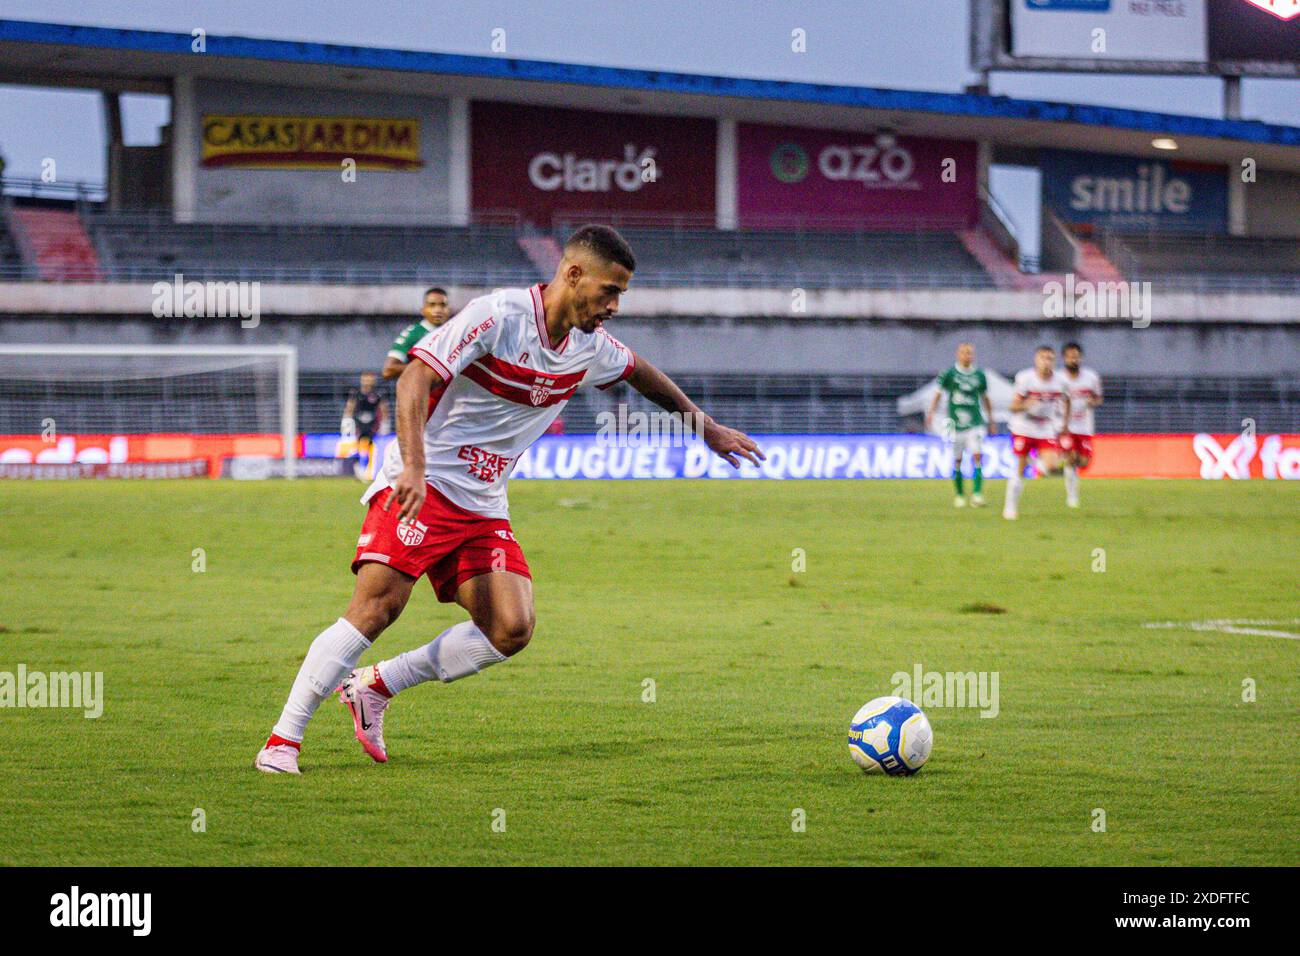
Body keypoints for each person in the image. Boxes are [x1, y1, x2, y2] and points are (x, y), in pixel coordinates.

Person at [255, 225, 764, 773]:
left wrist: (704, 426)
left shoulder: (589, 347)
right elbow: (412, 381)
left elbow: (643, 375)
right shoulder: (497, 316)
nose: (615, 305)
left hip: (483, 501)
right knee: (379, 606)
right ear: (572, 275)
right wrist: (416, 470)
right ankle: (283, 741)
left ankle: (376, 685)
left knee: (510, 628)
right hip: (424, 484)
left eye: (621, 294)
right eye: (610, 290)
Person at [1003, 345, 1070, 521]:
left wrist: (1064, 423)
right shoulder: (1025, 379)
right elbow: (1012, 406)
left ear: (1054, 361)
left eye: (1050, 358)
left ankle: (1033, 461)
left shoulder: (1060, 381)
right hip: (1023, 426)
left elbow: (1067, 400)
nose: (1046, 362)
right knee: (1020, 467)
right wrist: (1026, 405)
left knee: (1052, 467)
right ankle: (1010, 507)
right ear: (1036, 360)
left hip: (1045, 427)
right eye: (1043, 358)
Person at [926, 342, 995, 508]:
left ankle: (977, 494)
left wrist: (991, 419)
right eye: (964, 352)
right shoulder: (949, 373)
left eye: (970, 353)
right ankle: (959, 495)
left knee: (977, 456)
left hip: (975, 423)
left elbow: (985, 397)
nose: (967, 355)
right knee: (957, 460)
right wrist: (931, 413)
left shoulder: (979, 374)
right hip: (954, 423)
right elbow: (938, 394)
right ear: (958, 354)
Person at [1058, 342, 1102, 509]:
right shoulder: (1058, 378)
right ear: (1064, 358)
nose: (1073, 359)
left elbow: (1099, 397)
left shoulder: (1091, 377)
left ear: (1080, 358)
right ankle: (1072, 497)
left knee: (1083, 462)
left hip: (1085, 426)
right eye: (1070, 356)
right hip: (1065, 426)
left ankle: (1055, 463)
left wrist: (1093, 401)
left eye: (1076, 356)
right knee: (1071, 459)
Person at [382, 287, 452, 380]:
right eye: (432, 305)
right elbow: (388, 370)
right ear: (423, 310)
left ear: (449, 309)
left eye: (443, 305)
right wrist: (432, 368)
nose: (438, 310)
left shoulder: (453, 332)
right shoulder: (413, 333)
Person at [342, 372, 387, 466]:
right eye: (365, 378)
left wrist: (385, 424)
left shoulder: (378, 393)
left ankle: (369, 465)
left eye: (370, 378)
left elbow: (383, 409)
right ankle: (356, 464)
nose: (367, 381)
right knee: (357, 443)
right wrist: (346, 423)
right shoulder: (356, 393)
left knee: (371, 444)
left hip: (372, 423)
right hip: (358, 422)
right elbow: (349, 408)